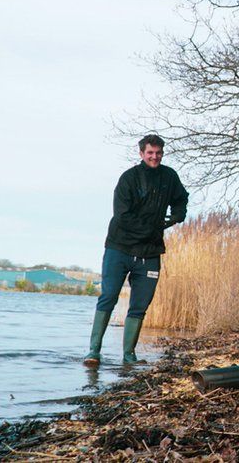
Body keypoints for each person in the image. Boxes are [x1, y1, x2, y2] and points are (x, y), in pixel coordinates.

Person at [83, 134, 189, 367]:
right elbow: (123, 215)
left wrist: (178, 214)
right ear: (141, 153)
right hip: (119, 249)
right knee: (108, 297)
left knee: (140, 305)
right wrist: (153, 227)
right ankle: (93, 352)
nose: (154, 157)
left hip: (150, 254)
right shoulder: (129, 179)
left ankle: (128, 356)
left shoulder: (169, 177)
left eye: (158, 153)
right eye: (150, 153)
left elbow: (182, 198)